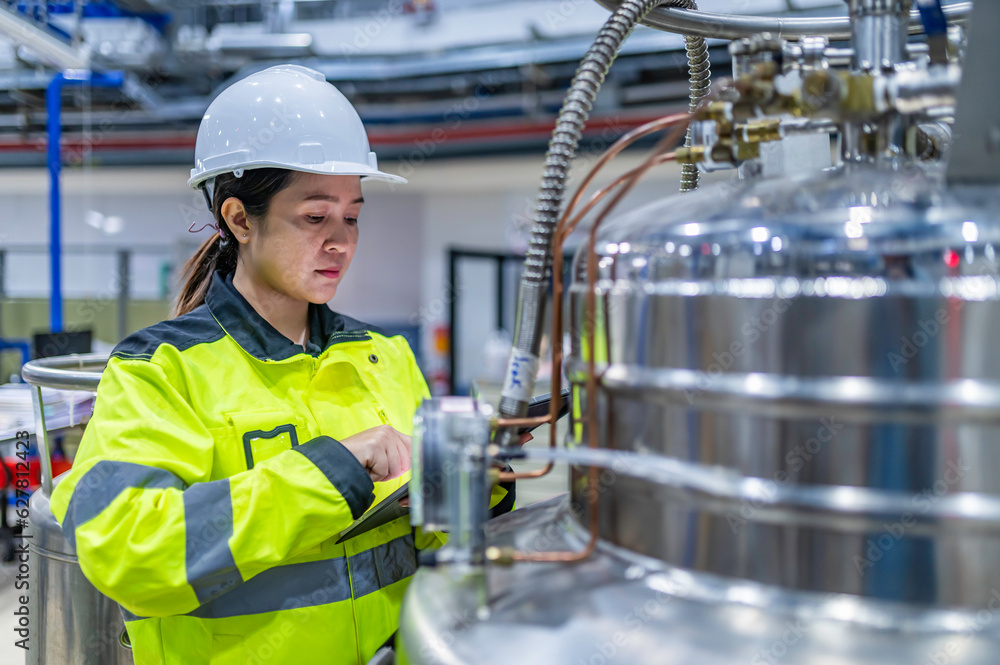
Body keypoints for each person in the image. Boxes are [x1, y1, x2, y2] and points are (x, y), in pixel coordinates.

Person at [50, 64, 515, 665]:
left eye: (352, 216)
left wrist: (470, 487)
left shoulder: (385, 356)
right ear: (240, 219)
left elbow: (418, 536)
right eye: (315, 217)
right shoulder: (161, 370)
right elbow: (129, 552)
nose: (341, 241)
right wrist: (333, 471)